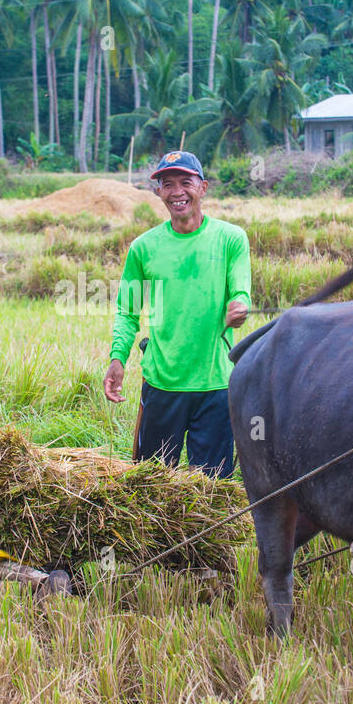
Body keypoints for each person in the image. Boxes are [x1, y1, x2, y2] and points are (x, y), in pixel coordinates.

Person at [103, 150, 251, 479]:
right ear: (158, 192)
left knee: (211, 489)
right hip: (161, 384)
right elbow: (128, 311)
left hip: (215, 385)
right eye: (167, 184)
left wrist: (239, 306)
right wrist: (117, 358)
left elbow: (241, 292)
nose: (176, 192)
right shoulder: (144, 247)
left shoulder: (230, 239)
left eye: (186, 182)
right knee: (151, 485)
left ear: (203, 187)